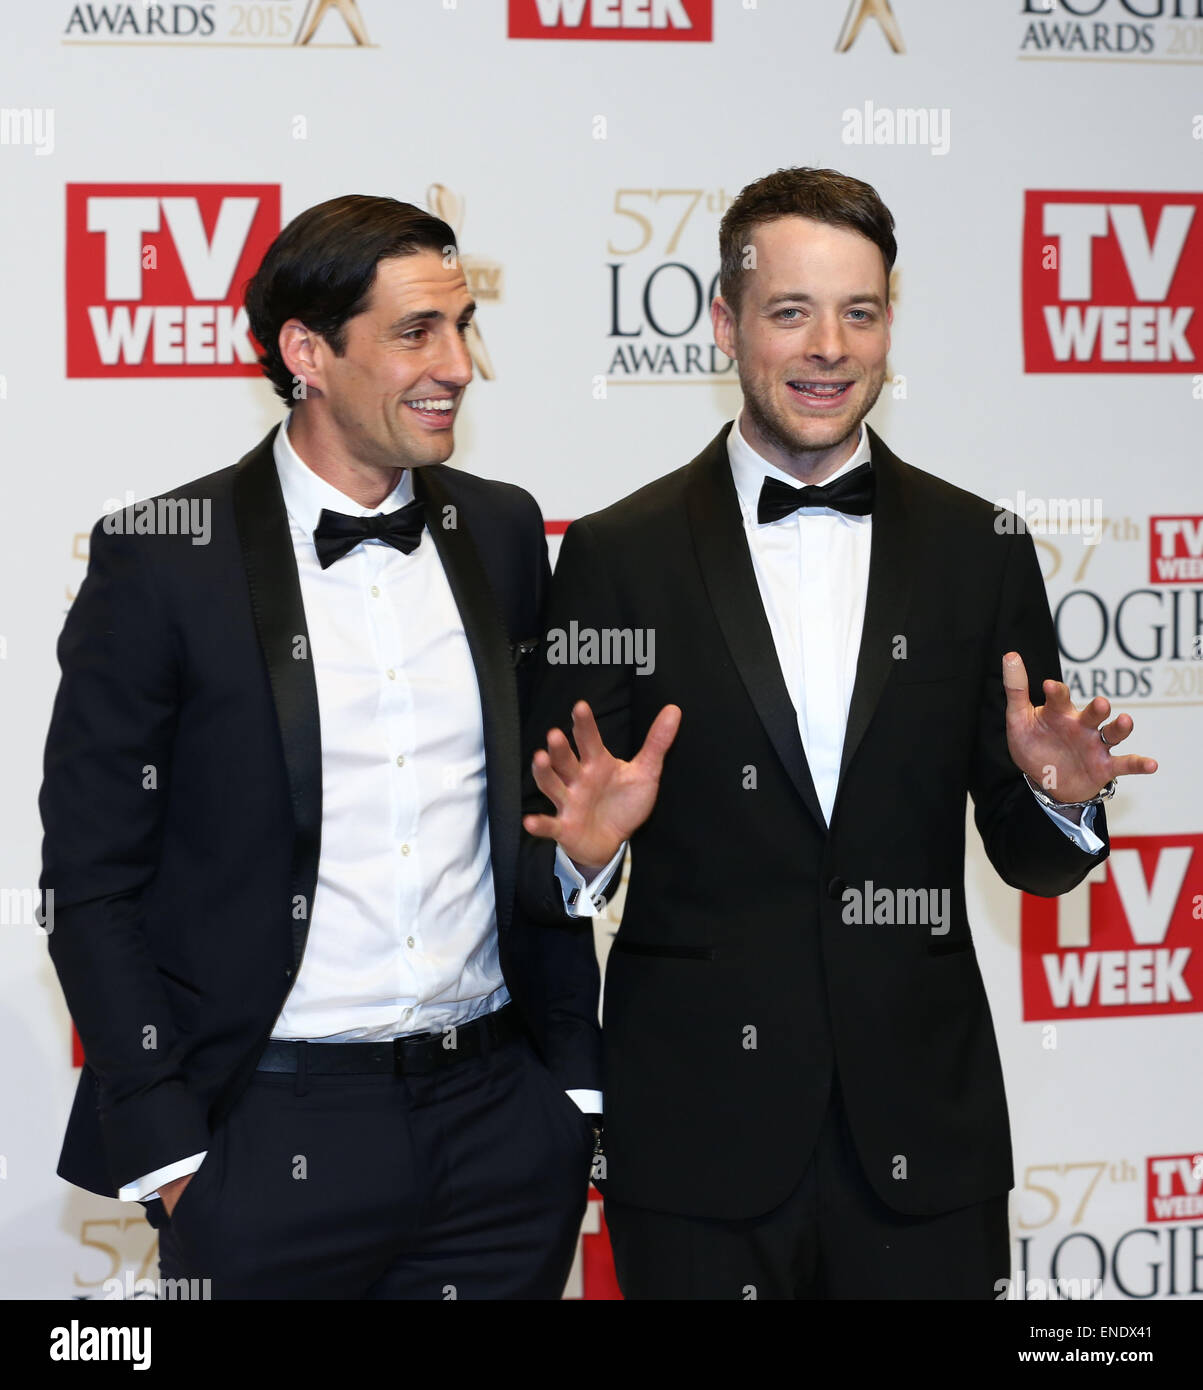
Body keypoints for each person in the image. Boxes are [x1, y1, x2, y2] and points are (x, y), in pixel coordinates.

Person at [521, 166, 1158, 1299]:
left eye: (858, 312)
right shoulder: (618, 554)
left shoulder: (982, 548)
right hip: (696, 1140)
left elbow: (1031, 860)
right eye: (790, 311)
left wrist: (1057, 799)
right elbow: (553, 848)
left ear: (889, 326)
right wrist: (585, 854)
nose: (828, 346)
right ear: (725, 323)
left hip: (925, 1140)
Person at [40, 194, 600, 1300]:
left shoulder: (499, 531)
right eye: (415, 332)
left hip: (498, 1132)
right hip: (265, 1139)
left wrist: (567, 1098)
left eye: (463, 323)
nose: (459, 363)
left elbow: (538, 826)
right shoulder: (163, 558)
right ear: (307, 351)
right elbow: (92, 878)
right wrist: (176, 1158)